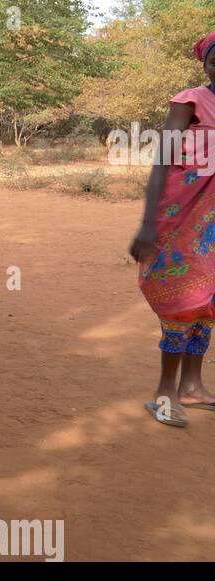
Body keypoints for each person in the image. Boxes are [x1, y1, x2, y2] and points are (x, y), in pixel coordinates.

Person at [130, 32, 215, 428]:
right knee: (181, 305)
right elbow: (161, 162)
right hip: (180, 222)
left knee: (208, 306)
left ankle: (193, 386)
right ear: (204, 63)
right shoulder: (190, 101)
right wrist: (147, 225)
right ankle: (165, 391)